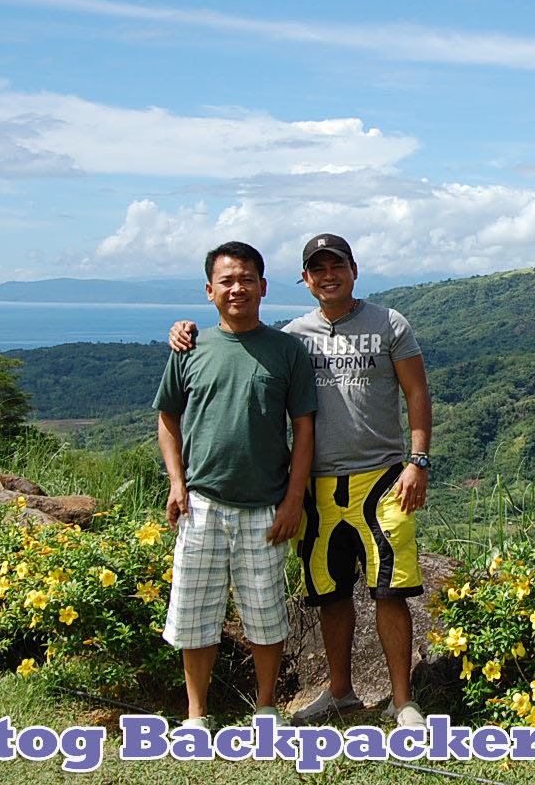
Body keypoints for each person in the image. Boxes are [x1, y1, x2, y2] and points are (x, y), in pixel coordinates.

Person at [170, 232, 432, 730]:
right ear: (305, 279)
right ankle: (340, 694)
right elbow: (243, 346)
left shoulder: (389, 324)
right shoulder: (294, 337)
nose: (328, 276)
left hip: (383, 478)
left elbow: (417, 393)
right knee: (329, 593)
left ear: (354, 270)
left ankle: (402, 703)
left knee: (390, 591)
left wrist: (418, 461)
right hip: (316, 484)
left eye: (337, 266)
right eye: (318, 269)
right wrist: (185, 331)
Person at [154, 241, 317, 730]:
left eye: (246, 279)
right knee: (194, 615)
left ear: (263, 287)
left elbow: (304, 428)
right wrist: (176, 484)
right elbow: (167, 419)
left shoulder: (287, 350)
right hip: (201, 504)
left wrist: (292, 499)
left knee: (265, 617)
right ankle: (195, 715)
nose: (237, 288)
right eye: (226, 280)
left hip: (265, 507)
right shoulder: (190, 347)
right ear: (209, 291)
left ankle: (266, 707)